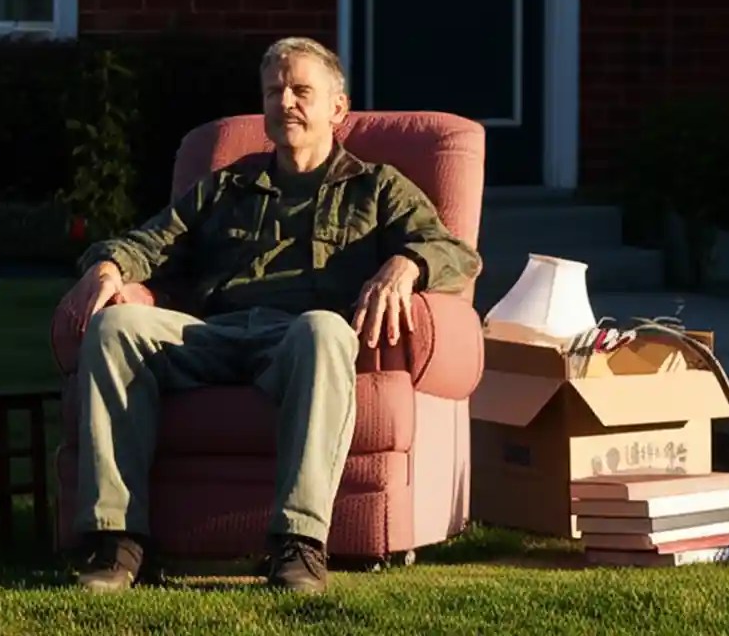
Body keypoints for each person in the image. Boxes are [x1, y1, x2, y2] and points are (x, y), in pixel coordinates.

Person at [71, 36, 481, 594]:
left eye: (300, 91)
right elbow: (151, 241)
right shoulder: (225, 187)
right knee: (116, 327)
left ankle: (299, 544)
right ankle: (117, 540)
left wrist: (406, 266)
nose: (285, 102)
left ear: (338, 108)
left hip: (300, 344)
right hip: (214, 333)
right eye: (274, 91)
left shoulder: (377, 187)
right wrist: (111, 268)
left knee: (324, 329)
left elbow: (455, 252)